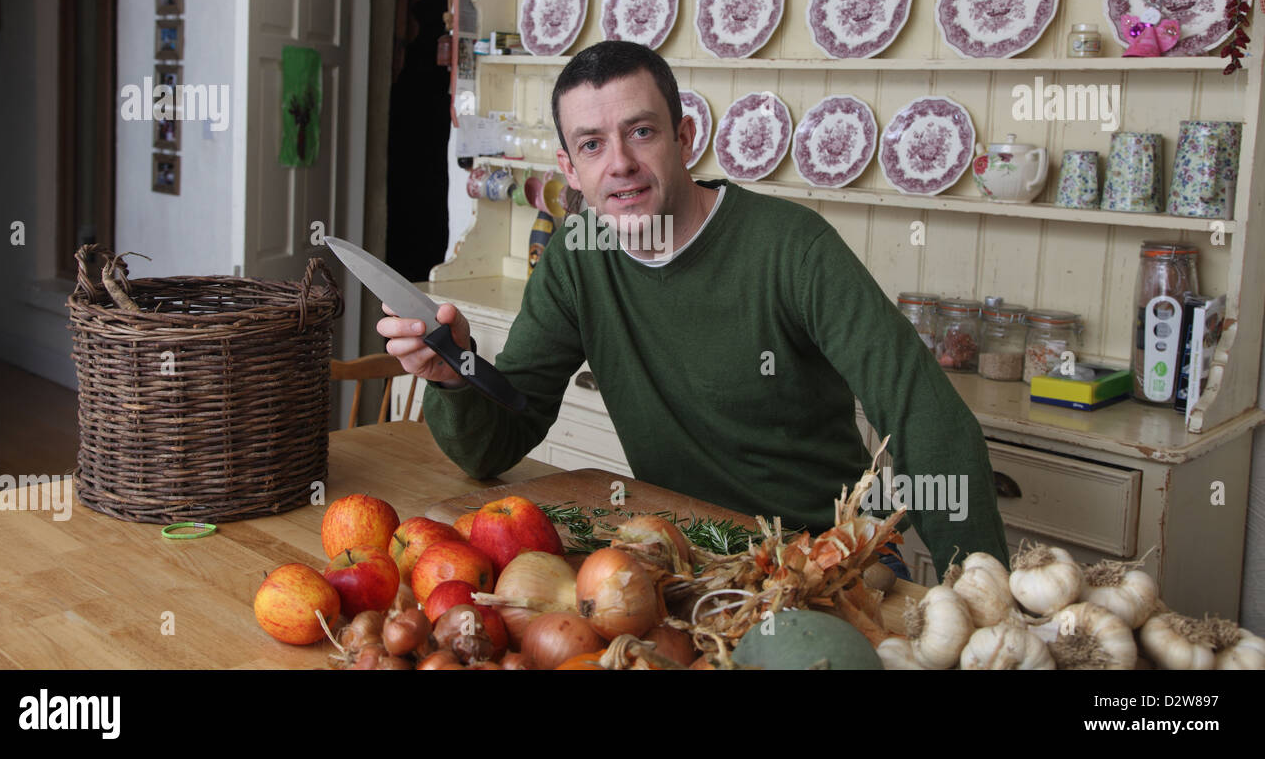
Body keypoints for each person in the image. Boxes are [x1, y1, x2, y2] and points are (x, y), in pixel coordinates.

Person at [379, 40, 1010, 577]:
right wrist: (456, 375)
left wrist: (982, 595)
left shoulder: (791, 246)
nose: (620, 163)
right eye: (593, 145)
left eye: (642, 132)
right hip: (679, 555)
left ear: (684, 137)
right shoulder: (578, 254)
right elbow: (497, 442)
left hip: (822, 556)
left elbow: (926, 416)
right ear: (569, 168)